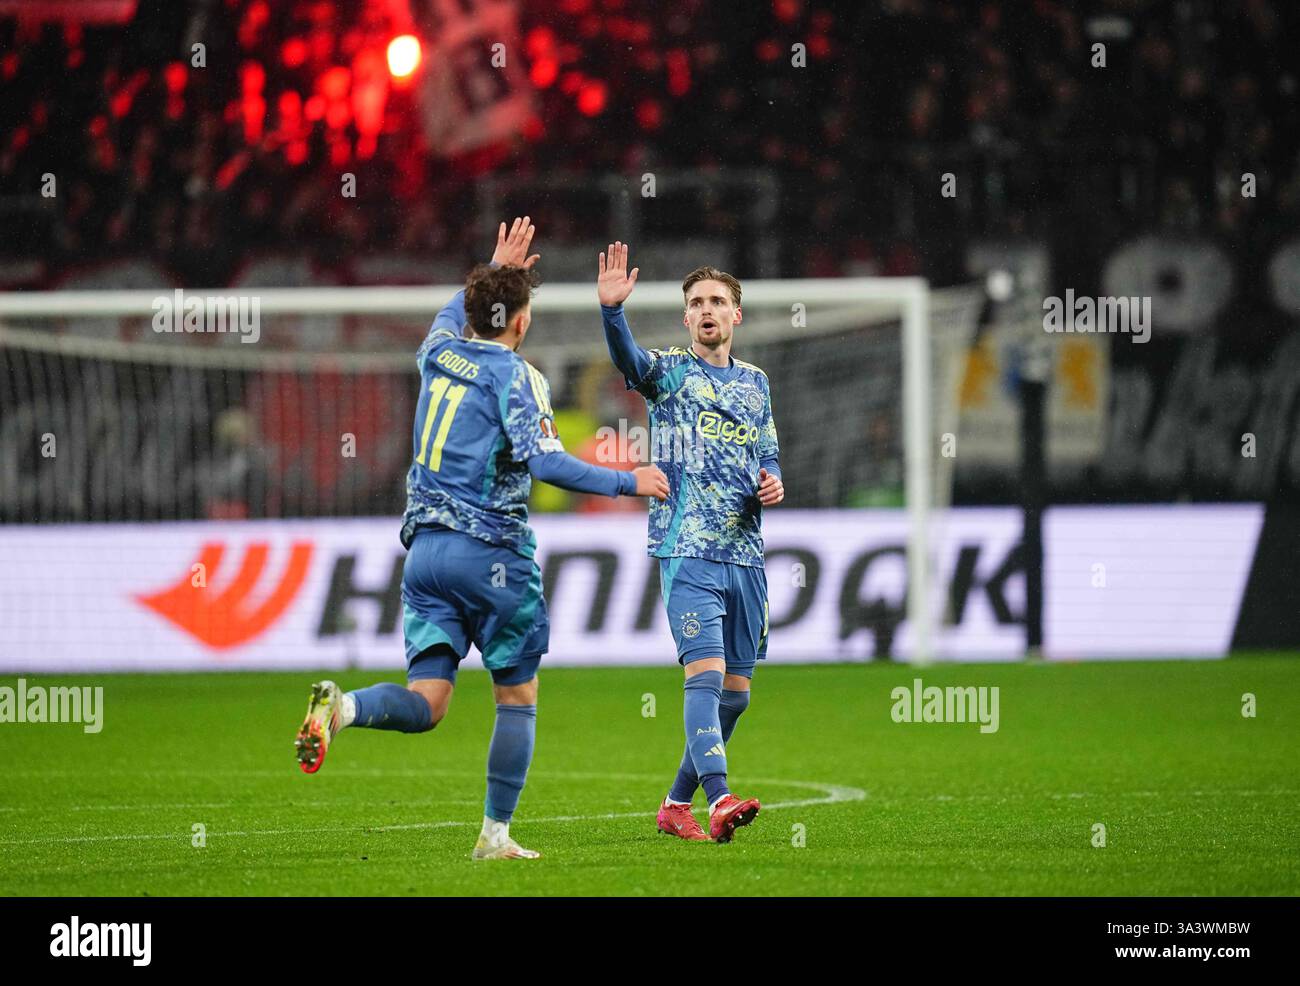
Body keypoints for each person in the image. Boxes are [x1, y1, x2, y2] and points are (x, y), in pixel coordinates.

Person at [293, 219, 669, 860]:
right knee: (517, 697)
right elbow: (546, 463)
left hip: (425, 558)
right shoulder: (516, 377)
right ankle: (495, 835)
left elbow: (453, 313)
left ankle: (345, 709)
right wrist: (627, 480)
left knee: (429, 701)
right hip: (491, 555)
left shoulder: (438, 350)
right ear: (520, 323)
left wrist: (491, 267)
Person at [596, 241, 784, 843]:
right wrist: (612, 312)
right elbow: (631, 362)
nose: (707, 310)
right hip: (688, 550)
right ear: (686, 317)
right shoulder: (671, 373)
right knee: (703, 677)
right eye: (697, 302)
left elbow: (769, 455)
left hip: (746, 556)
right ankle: (720, 797)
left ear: (736, 315)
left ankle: (676, 804)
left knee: (736, 697)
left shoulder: (756, 384)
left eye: (718, 302)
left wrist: (771, 482)